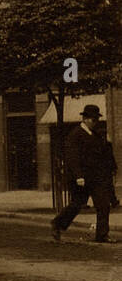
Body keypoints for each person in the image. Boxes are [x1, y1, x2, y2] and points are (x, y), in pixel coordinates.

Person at [52, 103, 116, 243]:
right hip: (82, 178)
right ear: (85, 119)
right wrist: (78, 176)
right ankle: (58, 224)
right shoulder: (75, 135)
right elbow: (72, 157)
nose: (96, 122)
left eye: (97, 119)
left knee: (103, 204)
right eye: (94, 119)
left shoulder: (96, 135)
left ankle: (102, 235)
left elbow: (102, 154)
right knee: (77, 204)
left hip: (96, 178)